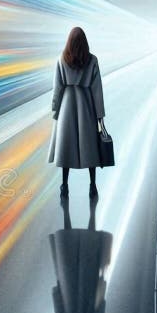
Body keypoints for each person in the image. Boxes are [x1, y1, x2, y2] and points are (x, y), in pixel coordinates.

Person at [47, 26, 106, 198]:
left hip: (67, 105)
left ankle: (64, 185)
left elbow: (57, 88)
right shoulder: (92, 60)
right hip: (86, 104)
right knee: (91, 147)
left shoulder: (61, 59)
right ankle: (93, 185)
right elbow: (97, 89)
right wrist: (100, 115)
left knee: (66, 147)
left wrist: (55, 109)